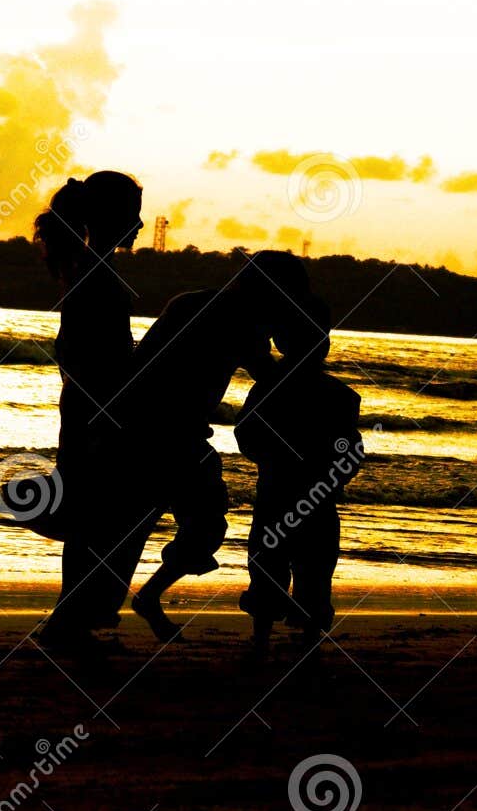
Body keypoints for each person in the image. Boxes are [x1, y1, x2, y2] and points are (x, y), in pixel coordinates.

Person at [122, 252, 310, 640]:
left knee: (142, 522)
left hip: (140, 427)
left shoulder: (190, 302)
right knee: (205, 524)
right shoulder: (242, 322)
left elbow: (140, 363)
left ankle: (133, 599)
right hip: (176, 436)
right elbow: (270, 375)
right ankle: (145, 597)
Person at [27, 171, 144, 649]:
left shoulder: (91, 270)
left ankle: (73, 617)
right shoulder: (97, 276)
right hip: (96, 413)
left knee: (88, 517)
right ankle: (69, 620)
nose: (140, 225)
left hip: (87, 409)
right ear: (111, 218)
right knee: (93, 518)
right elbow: (76, 351)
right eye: (133, 215)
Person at [234, 296, 362, 651]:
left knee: (268, 564)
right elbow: (351, 450)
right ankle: (308, 639)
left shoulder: (269, 387)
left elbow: (246, 434)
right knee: (315, 572)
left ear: (282, 343)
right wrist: (335, 478)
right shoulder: (342, 396)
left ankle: (262, 636)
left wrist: (271, 459)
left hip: (276, 491)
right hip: (318, 498)